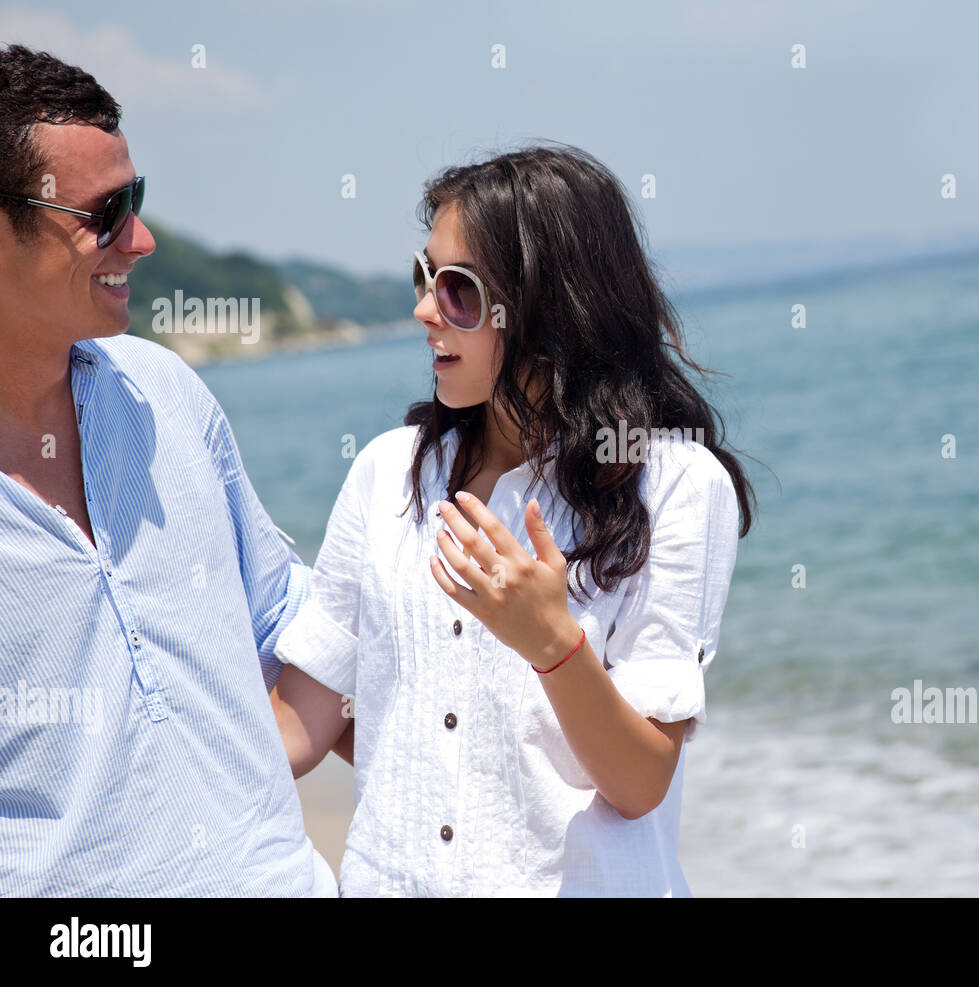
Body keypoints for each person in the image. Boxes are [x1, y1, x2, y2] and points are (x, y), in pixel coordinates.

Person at [270, 143, 756, 896]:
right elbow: (305, 720)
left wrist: (551, 644)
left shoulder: (675, 485)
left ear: (550, 307)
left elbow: (639, 781)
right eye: (423, 277)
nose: (424, 308)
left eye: (457, 289)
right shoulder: (387, 474)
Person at [0, 44, 335, 896]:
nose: (140, 240)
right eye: (106, 212)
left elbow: (294, 626)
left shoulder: (164, 393)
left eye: (137, 202)